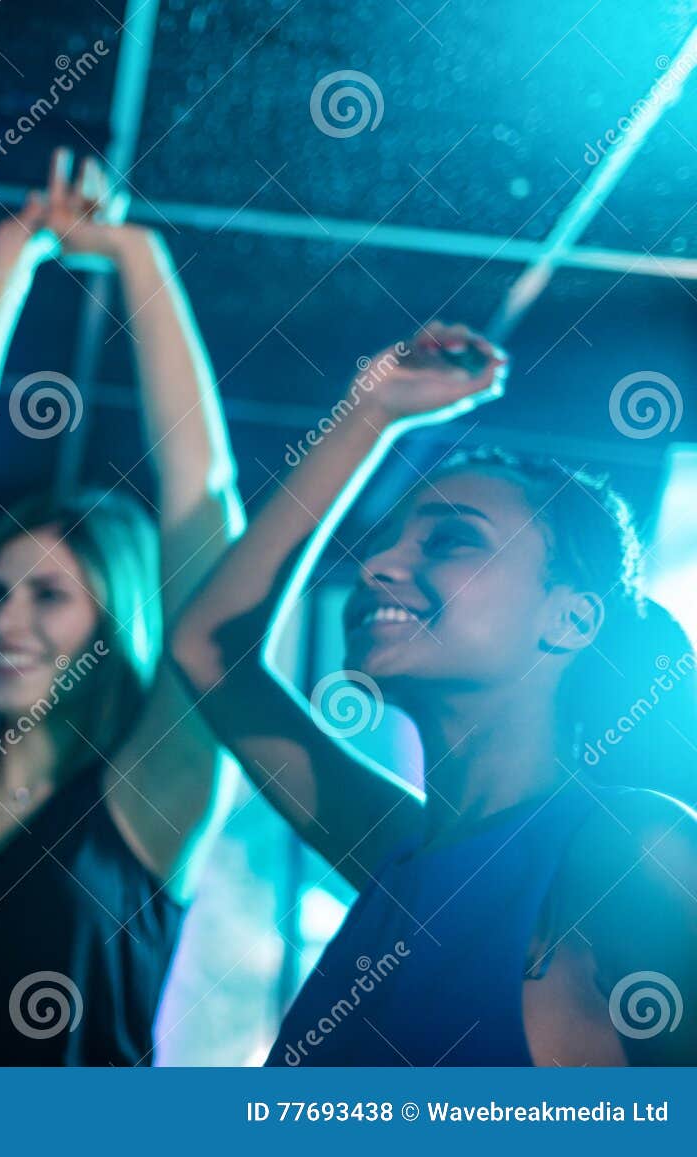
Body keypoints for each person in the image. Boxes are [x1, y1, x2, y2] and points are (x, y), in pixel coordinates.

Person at [171, 322, 697, 1065]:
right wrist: (370, 411)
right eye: (383, 541)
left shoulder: (633, 848)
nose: (377, 565)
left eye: (451, 540)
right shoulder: (398, 851)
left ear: (571, 619)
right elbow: (208, 652)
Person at [0, 150, 244, 1065]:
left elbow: (203, 508)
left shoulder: (151, 798)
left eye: (51, 595)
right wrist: (8, 257)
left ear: (117, 620)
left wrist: (138, 257)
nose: (2, 620)